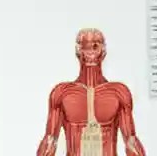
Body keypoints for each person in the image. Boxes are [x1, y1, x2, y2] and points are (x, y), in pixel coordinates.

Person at [37, 28, 145, 156]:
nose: (90, 53)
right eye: (86, 47)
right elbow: (50, 141)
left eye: (95, 47)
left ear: (103, 51)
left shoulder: (118, 92)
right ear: (78, 51)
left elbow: (131, 141)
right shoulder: (62, 93)